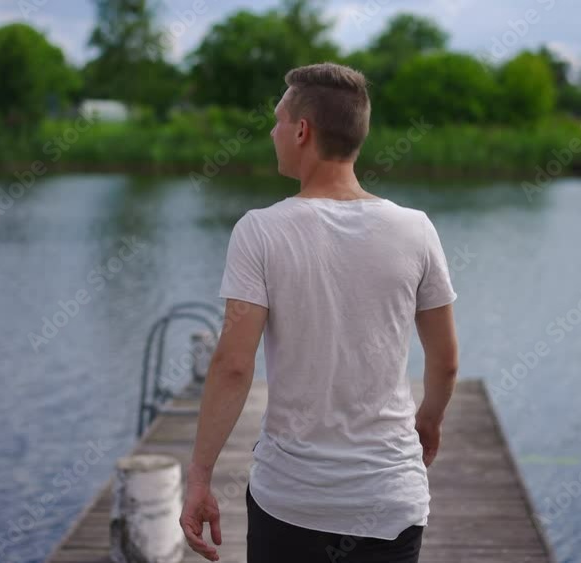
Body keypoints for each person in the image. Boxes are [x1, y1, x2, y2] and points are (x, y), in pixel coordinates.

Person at [179, 62, 459, 563]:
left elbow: (234, 365)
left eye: (278, 120)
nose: (272, 131)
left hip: (291, 500)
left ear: (302, 130)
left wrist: (199, 475)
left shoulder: (260, 231)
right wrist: (430, 420)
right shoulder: (416, 228)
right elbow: (446, 361)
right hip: (389, 497)